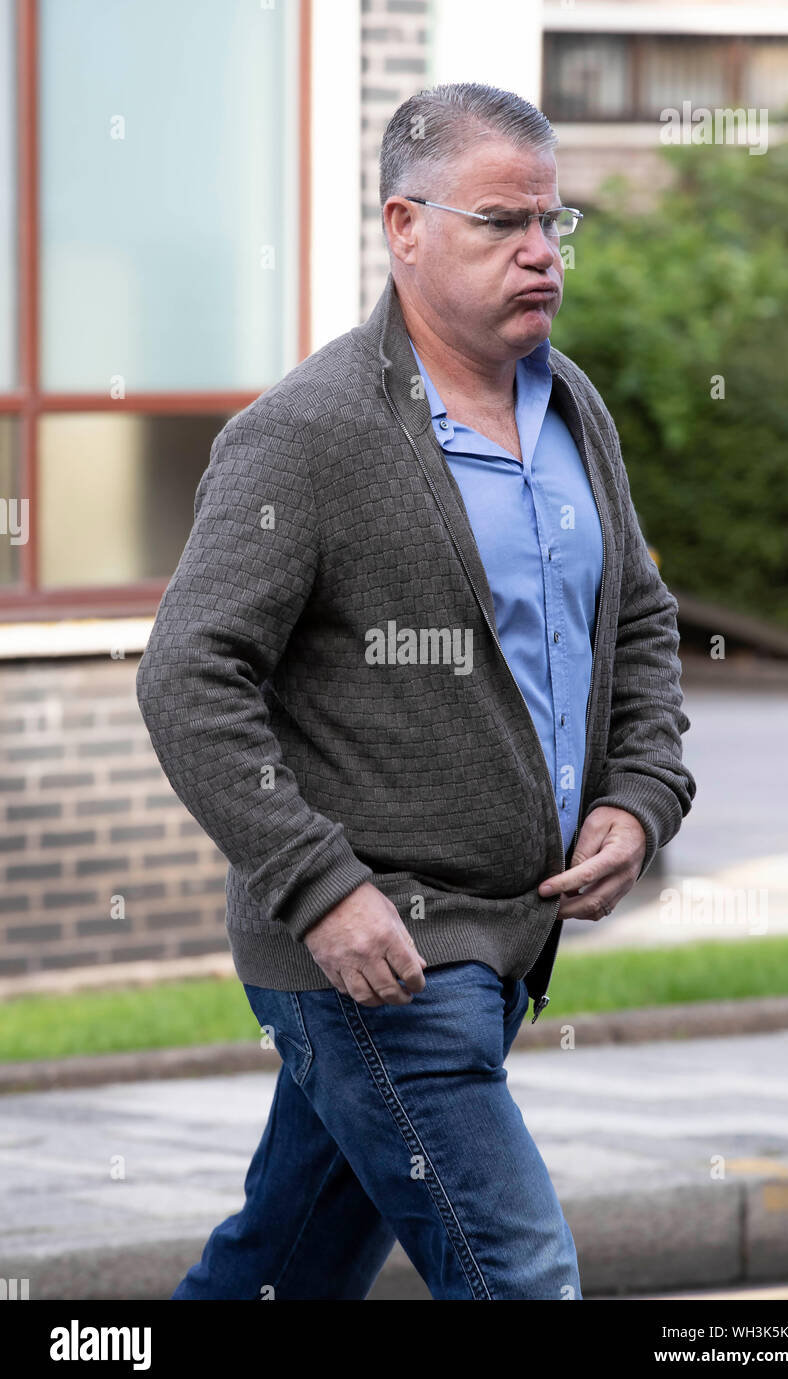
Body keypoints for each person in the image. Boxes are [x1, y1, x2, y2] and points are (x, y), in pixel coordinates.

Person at [136, 81, 696, 1301]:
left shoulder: (570, 407)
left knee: (280, 1269)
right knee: (521, 1274)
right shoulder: (308, 435)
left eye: (555, 222)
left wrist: (642, 792)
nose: (541, 252)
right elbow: (188, 675)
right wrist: (321, 888)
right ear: (403, 226)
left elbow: (639, 619)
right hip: (380, 949)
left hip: (506, 943)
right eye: (502, 222)